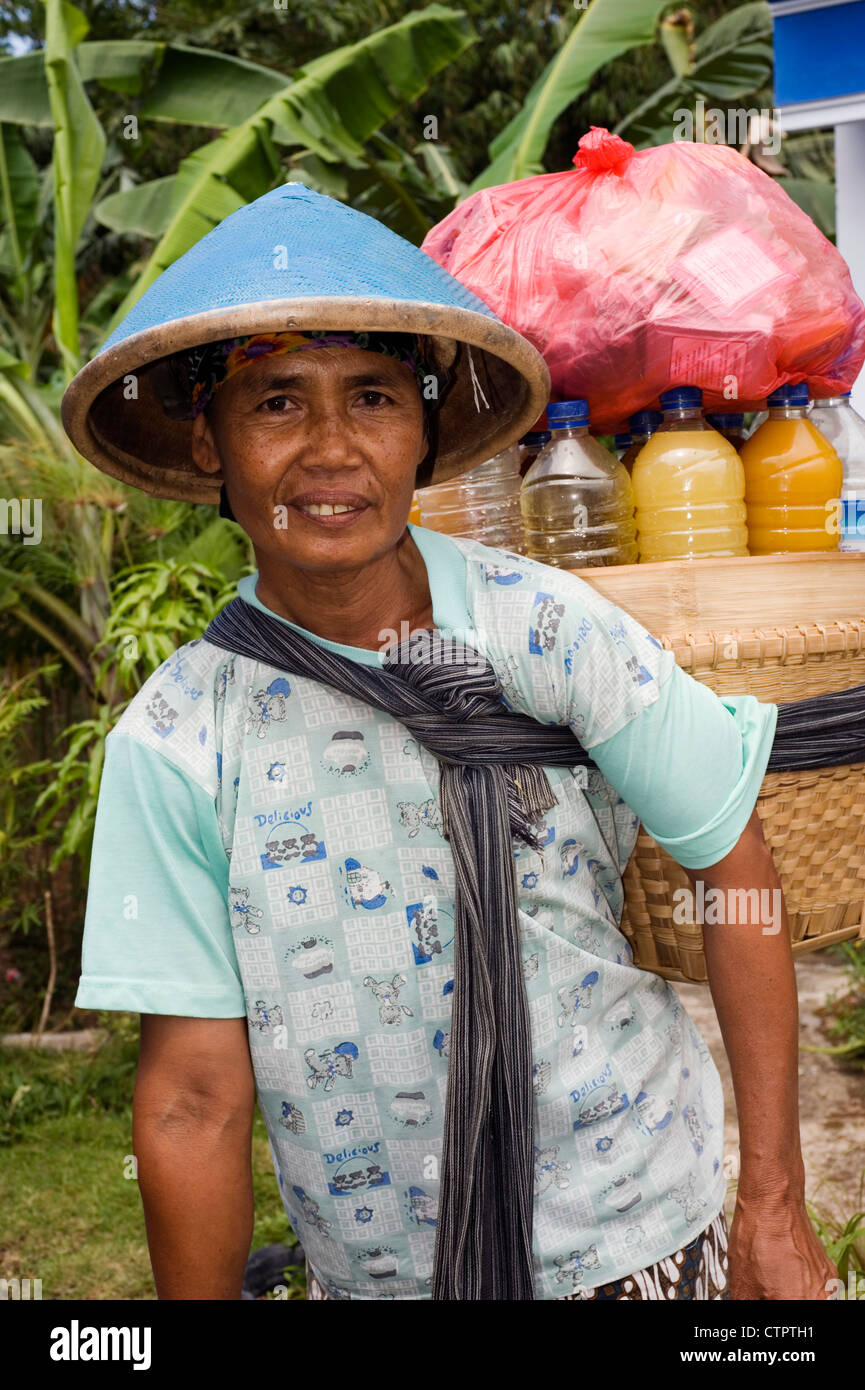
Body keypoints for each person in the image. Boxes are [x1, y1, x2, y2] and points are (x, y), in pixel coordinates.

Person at [62, 183, 835, 1302]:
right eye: (277, 403)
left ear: (423, 434)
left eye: (371, 396)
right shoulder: (180, 741)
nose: (332, 448)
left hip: (637, 1244)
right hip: (379, 1277)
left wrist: (769, 1201)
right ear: (207, 440)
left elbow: (731, 864)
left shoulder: (555, 633)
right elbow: (191, 1096)